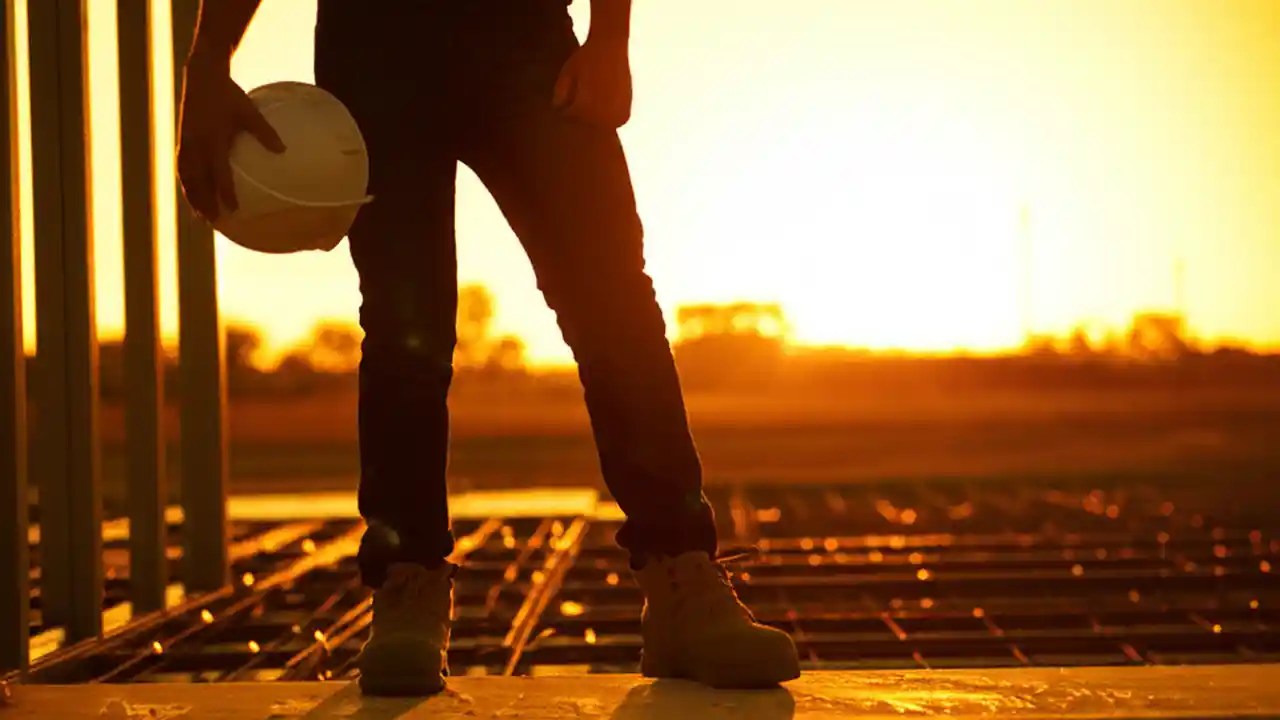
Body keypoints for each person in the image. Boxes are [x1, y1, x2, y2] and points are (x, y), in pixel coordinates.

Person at [176, 0, 799, 695]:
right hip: (373, 49)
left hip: (523, 37)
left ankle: (682, 576)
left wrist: (610, 36)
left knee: (613, 303)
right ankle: (406, 586)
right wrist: (205, 68)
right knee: (403, 331)